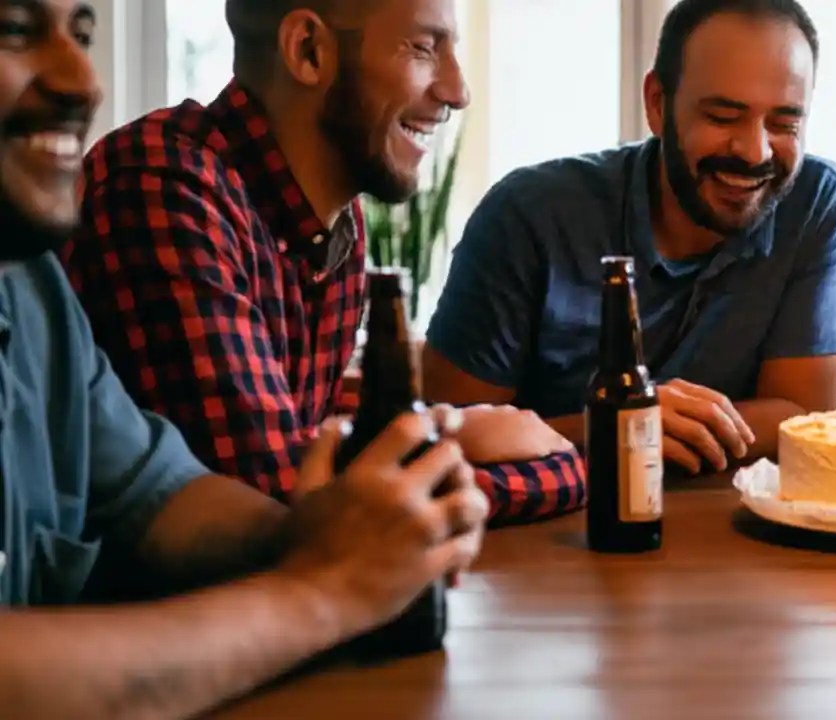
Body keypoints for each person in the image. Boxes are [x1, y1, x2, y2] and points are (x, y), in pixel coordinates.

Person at [0, 1, 488, 716]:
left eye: (83, 34)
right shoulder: (165, 180)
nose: (86, 81)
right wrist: (320, 591)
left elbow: (157, 493)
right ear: (307, 51)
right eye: (14, 30)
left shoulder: (26, 284)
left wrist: (336, 532)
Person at [61, 0, 585, 521]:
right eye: (424, 48)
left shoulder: (337, 230)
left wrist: (539, 458)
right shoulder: (164, 184)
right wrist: (460, 436)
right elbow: (274, 495)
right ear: (308, 51)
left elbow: (320, 464)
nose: (457, 91)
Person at [422, 0, 836, 475]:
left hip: (728, 528)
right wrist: (617, 426)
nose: (755, 151)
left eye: (783, 124)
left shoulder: (818, 204)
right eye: (722, 117)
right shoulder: (527, 216)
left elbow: (799, 418)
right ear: (657, 103)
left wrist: (643, 427)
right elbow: (448, 438)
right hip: (553, 529)